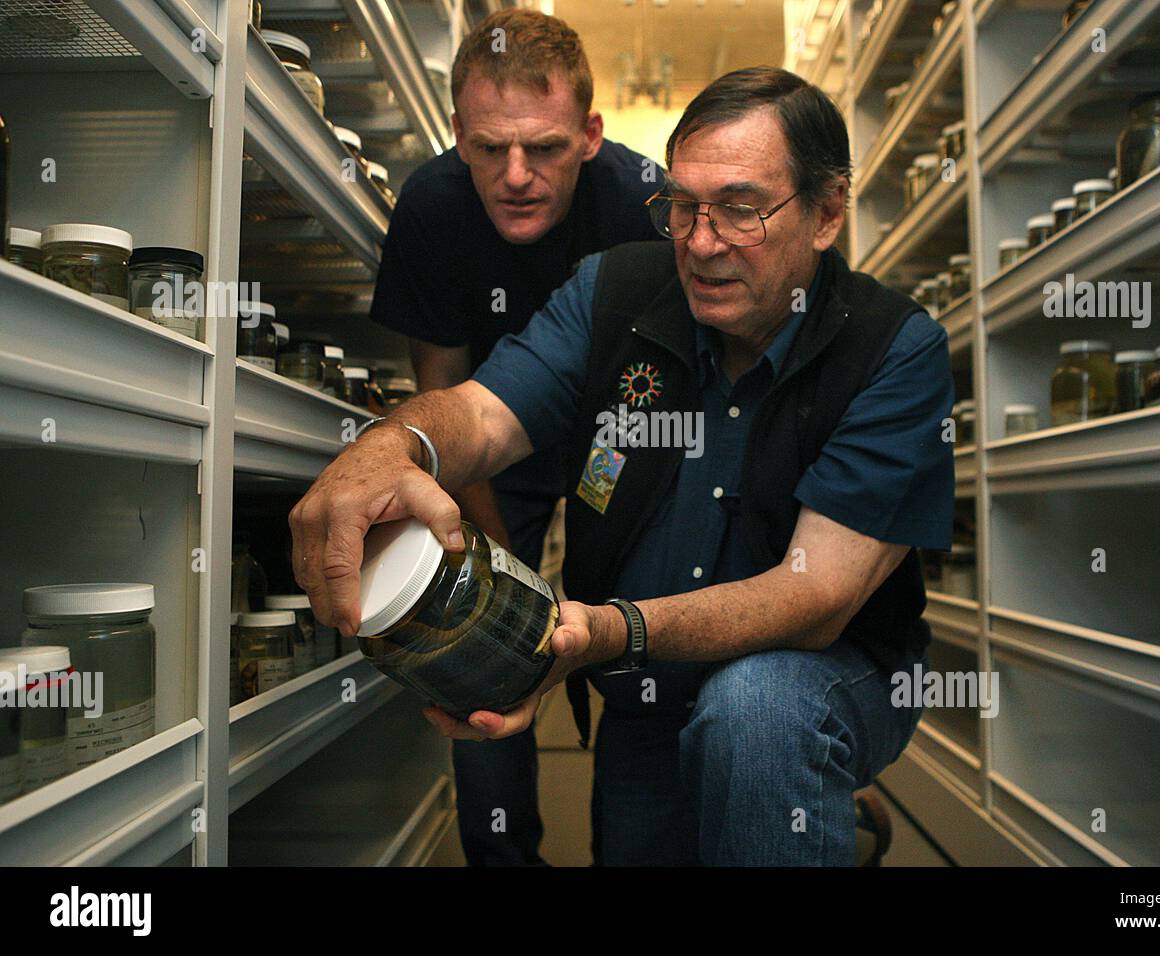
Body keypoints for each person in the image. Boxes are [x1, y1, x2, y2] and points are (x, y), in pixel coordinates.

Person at [294, 67, 955, 866]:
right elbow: (479, 412)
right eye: (682, 206)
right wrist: (388, 447)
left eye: (740, 210)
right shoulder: (613, 289)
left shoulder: (893, 349)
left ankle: (807, 772)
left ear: (825, 213)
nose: (701, 243)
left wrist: (612, 630)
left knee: (757, 716)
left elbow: (817, 599)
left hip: (827, 670)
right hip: (645, 683)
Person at [367, 8, 663, 866]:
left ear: (593, 134)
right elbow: (445, 406)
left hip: (625, 429)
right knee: (488, 646)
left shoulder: (646, 205)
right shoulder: (429, 209)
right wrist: (505, 576)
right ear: (458, 136)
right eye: (491, 148)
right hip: (497, 446)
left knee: (640, 636)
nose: (518, 175)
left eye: (546, 147)